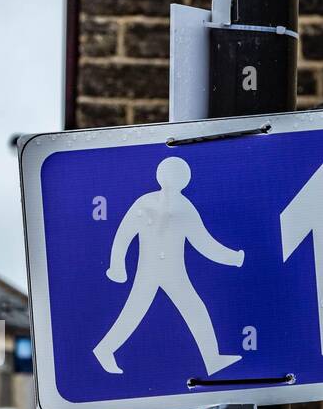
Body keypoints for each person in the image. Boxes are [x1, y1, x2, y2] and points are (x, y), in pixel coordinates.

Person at [94, 156, 244, 376]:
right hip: (150, 270)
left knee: (193, 309)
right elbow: (125, 233)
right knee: (135, 313)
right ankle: (104, 349)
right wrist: (116, 266)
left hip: (173, 272)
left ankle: (213, 359)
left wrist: (233, 257)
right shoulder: (147, 204)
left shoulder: (183, 207)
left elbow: (203, 242)